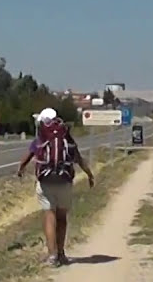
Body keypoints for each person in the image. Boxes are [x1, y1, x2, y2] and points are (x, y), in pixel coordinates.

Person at [17, 107, 95, 267]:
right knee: (62, 218)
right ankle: (61, 253)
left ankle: (52, 257)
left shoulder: (40, 138)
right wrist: (89, 174)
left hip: (45, 182)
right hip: (64, 182)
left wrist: (20, 168)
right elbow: (78, 158)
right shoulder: (67, 138)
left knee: (49, 216)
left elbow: (28, 156)